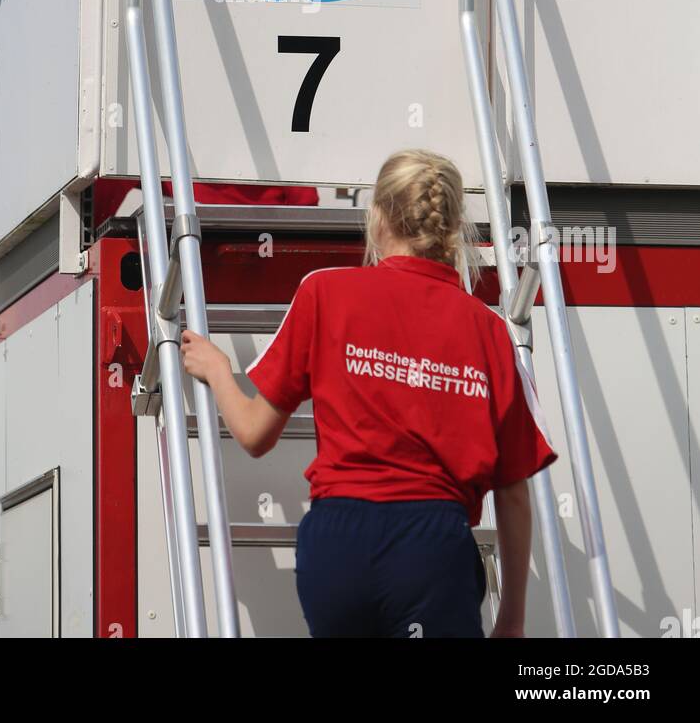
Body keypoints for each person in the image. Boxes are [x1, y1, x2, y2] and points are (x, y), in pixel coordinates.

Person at [181, 148, 558, 639]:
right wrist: (512, 618)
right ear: (452, 227)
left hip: (337, 549)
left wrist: (218, 371)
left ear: (377, 218)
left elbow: (254, 433)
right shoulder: (489, 330)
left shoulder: (324, 293)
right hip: (432, 549)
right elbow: (513, 494)